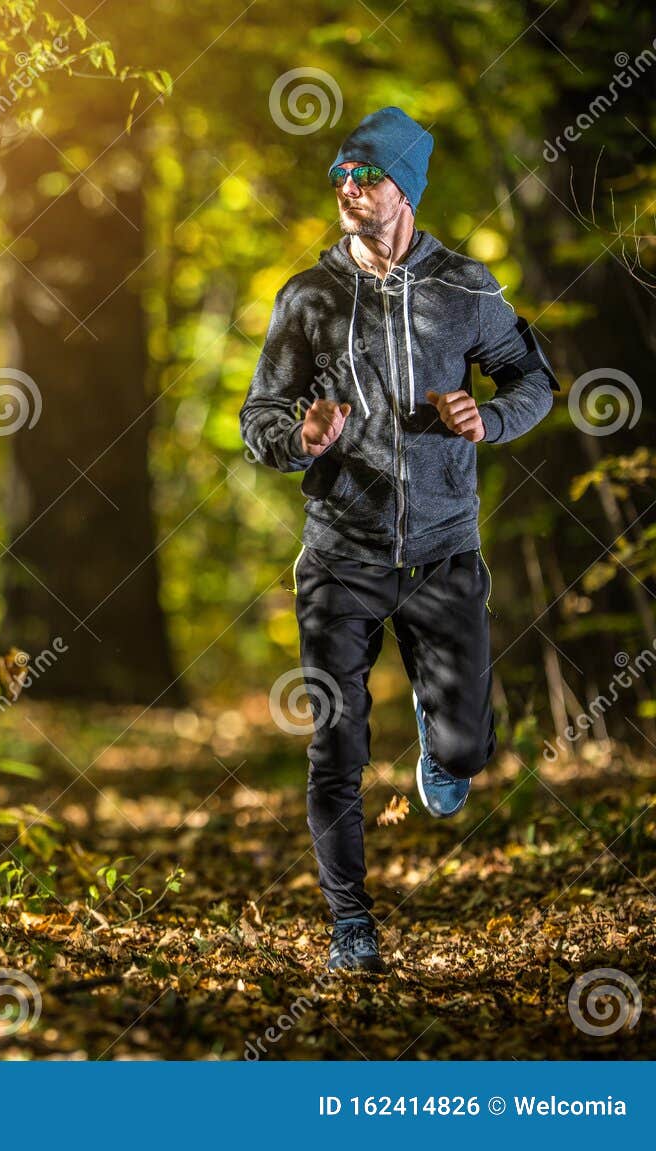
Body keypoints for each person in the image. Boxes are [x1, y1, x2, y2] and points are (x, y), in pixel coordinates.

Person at [239, 107, 557, 973]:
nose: (349, 188)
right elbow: (259, 414)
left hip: (443, 550)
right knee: (335, 746)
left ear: (406, 190)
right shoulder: (309, 295)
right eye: (341, 175)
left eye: (367, 175)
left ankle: (438, 726)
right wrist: (299, 436)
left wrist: (487, 418)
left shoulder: (465, 287)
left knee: (465, 750)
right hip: (339, 554)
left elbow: (534, 380)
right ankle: (351, 923)